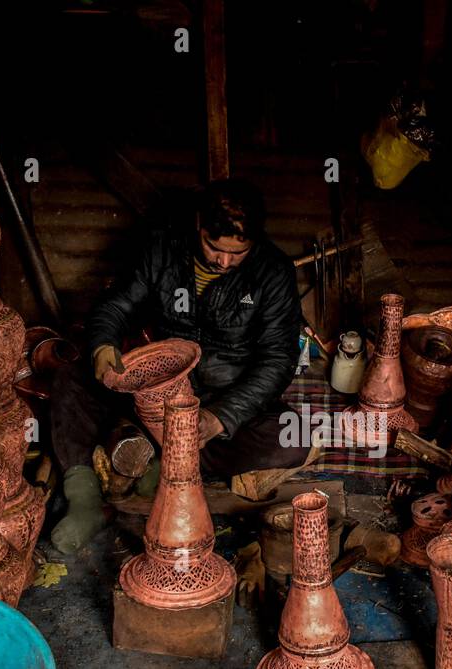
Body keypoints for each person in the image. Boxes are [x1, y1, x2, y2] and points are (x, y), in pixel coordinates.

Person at [49, 179, 310, 553]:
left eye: (238, 253)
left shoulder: (272, 272)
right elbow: (117, 304)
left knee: (293, 435)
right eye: (214, 248)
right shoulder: (163, 248)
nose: (224, 261)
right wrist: (103, 345)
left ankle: (162, 463)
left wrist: (219, 418)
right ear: (199, 225)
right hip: (156, 389)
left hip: (223, 396)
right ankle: (85, 500)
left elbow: (277, 360)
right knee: (70, 377)